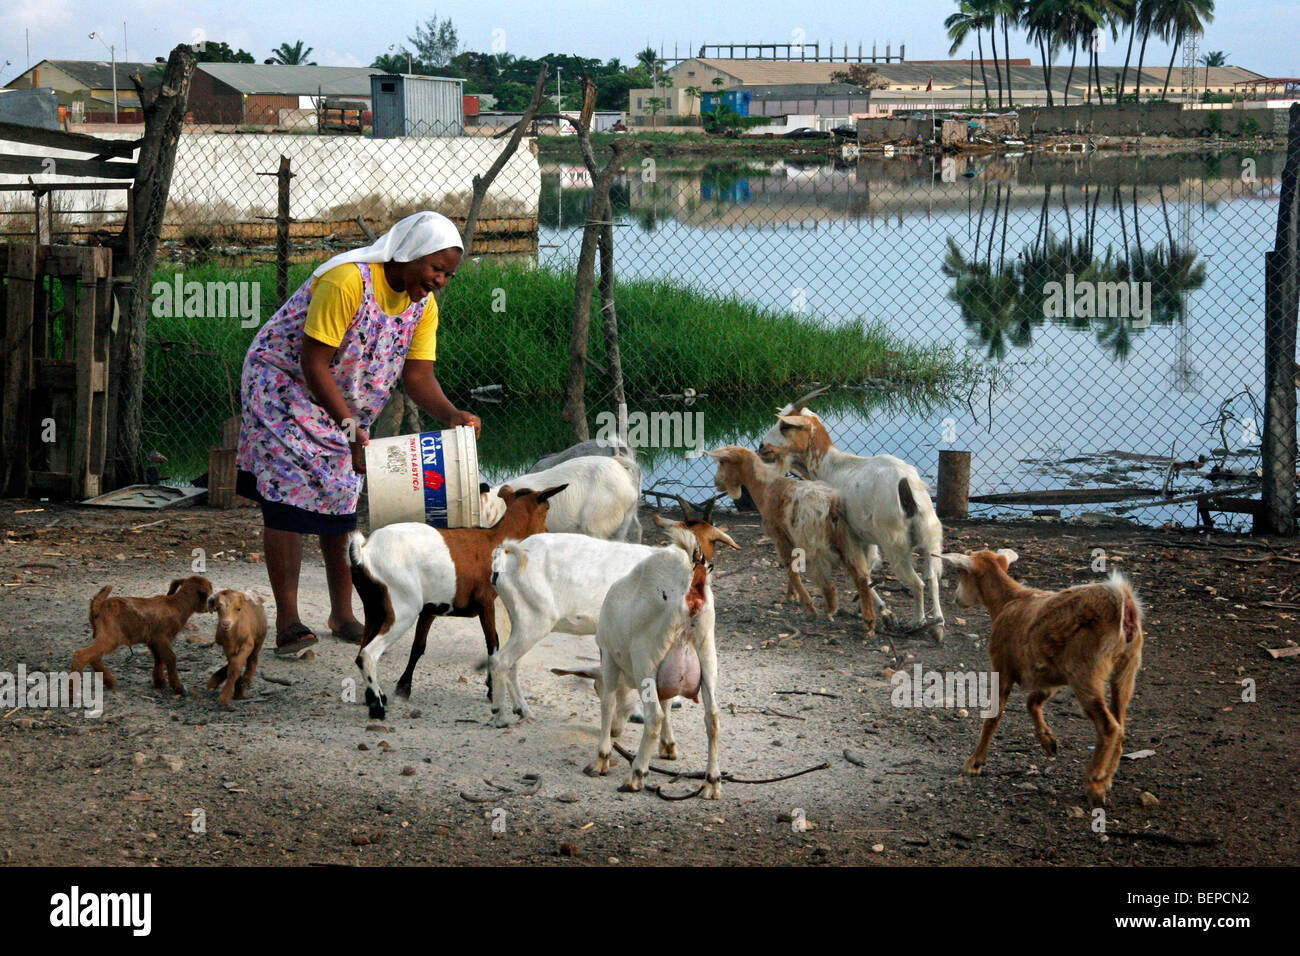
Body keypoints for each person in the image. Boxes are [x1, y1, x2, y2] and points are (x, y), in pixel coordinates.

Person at [235, 211, 481, 657]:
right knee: (288, 501)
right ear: (408, 254)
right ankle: (288, 622)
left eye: (448, 274)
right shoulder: (347, 281)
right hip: (283, 387)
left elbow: (419, 376)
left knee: (340, 499)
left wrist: (451, 414)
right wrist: (347, 421)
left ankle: (342, 614)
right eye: (436, 268)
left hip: (341, 404)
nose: (441, 280)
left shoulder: (421, 306)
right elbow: (313, 362)